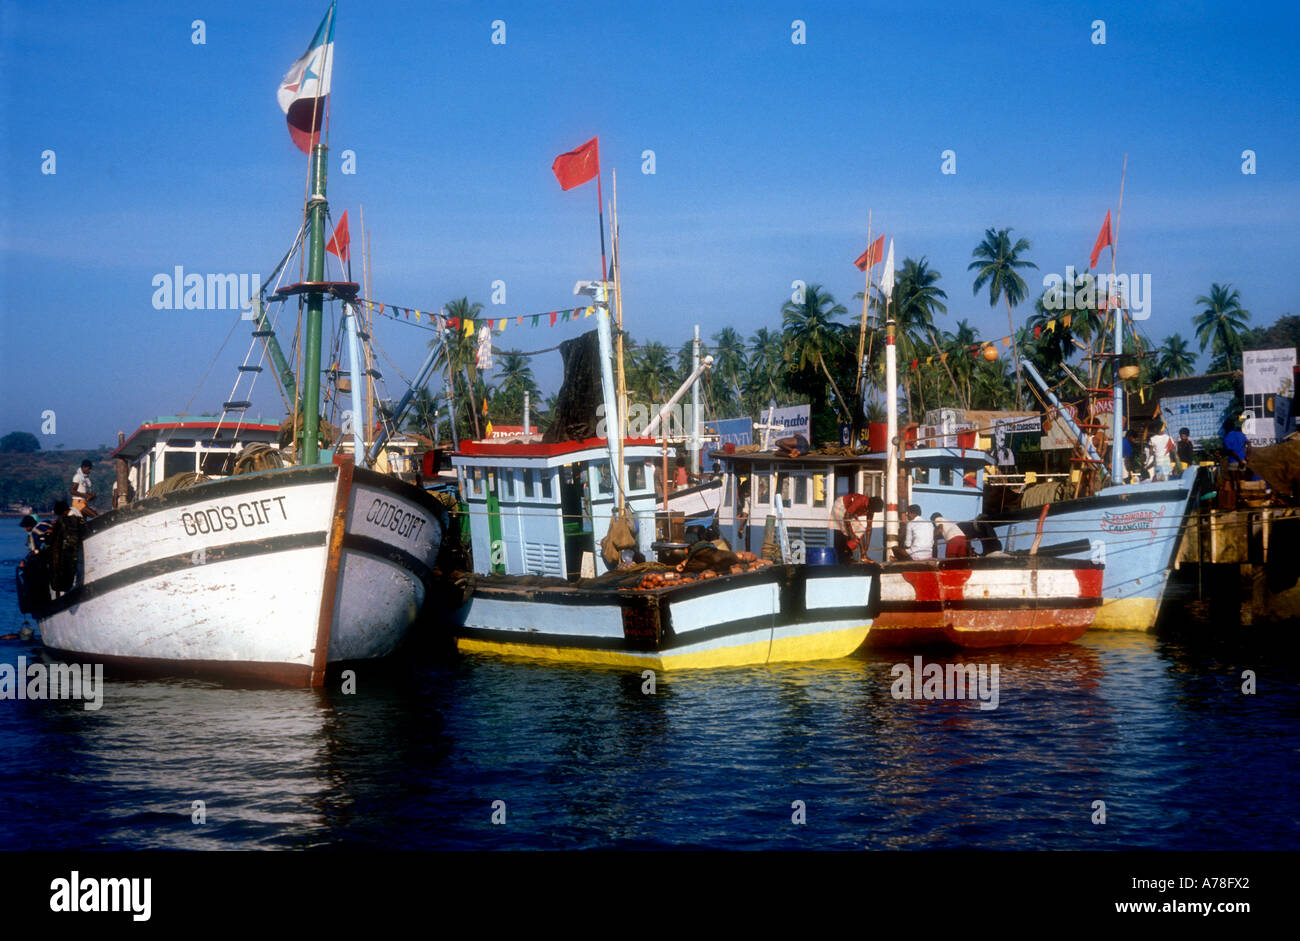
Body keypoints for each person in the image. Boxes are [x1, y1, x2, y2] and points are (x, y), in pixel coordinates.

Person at [831, 493, 882, 563]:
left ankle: (853, 556)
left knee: (857, 533)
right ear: (871, 506)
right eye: (874, 511)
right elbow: (846, 517)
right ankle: (860, 556)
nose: (873, 512)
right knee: (857, 531)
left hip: (847, 511)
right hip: (840, 506)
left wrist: (866, 546)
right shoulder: (861, 500)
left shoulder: (871, 508)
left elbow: (869, 528)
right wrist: (852, 534)